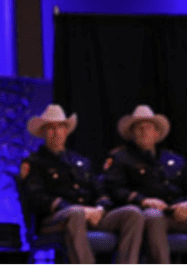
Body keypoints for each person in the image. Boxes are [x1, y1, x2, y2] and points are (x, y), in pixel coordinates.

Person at [20, 104, 145, 263]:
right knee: (76, 214)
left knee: (133, 213)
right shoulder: (34, 162)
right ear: (43, 132)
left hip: (89, 214)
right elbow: (36, 197)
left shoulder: (80, 161)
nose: (56, 132)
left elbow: (100, 190)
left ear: (66, 131)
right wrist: (78, 209)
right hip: (55, 218)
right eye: (50, 128)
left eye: (60, 127)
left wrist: (100, 209)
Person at [103, 104, 187, 264]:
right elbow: (115, 189)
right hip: (145, 213)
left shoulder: (174, 158)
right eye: (139, 128)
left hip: (178, 213)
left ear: (157, 133)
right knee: (154, 216)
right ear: (132, 134)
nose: (144, 131)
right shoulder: (121, 158)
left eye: (148, 127)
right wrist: (143, 200)